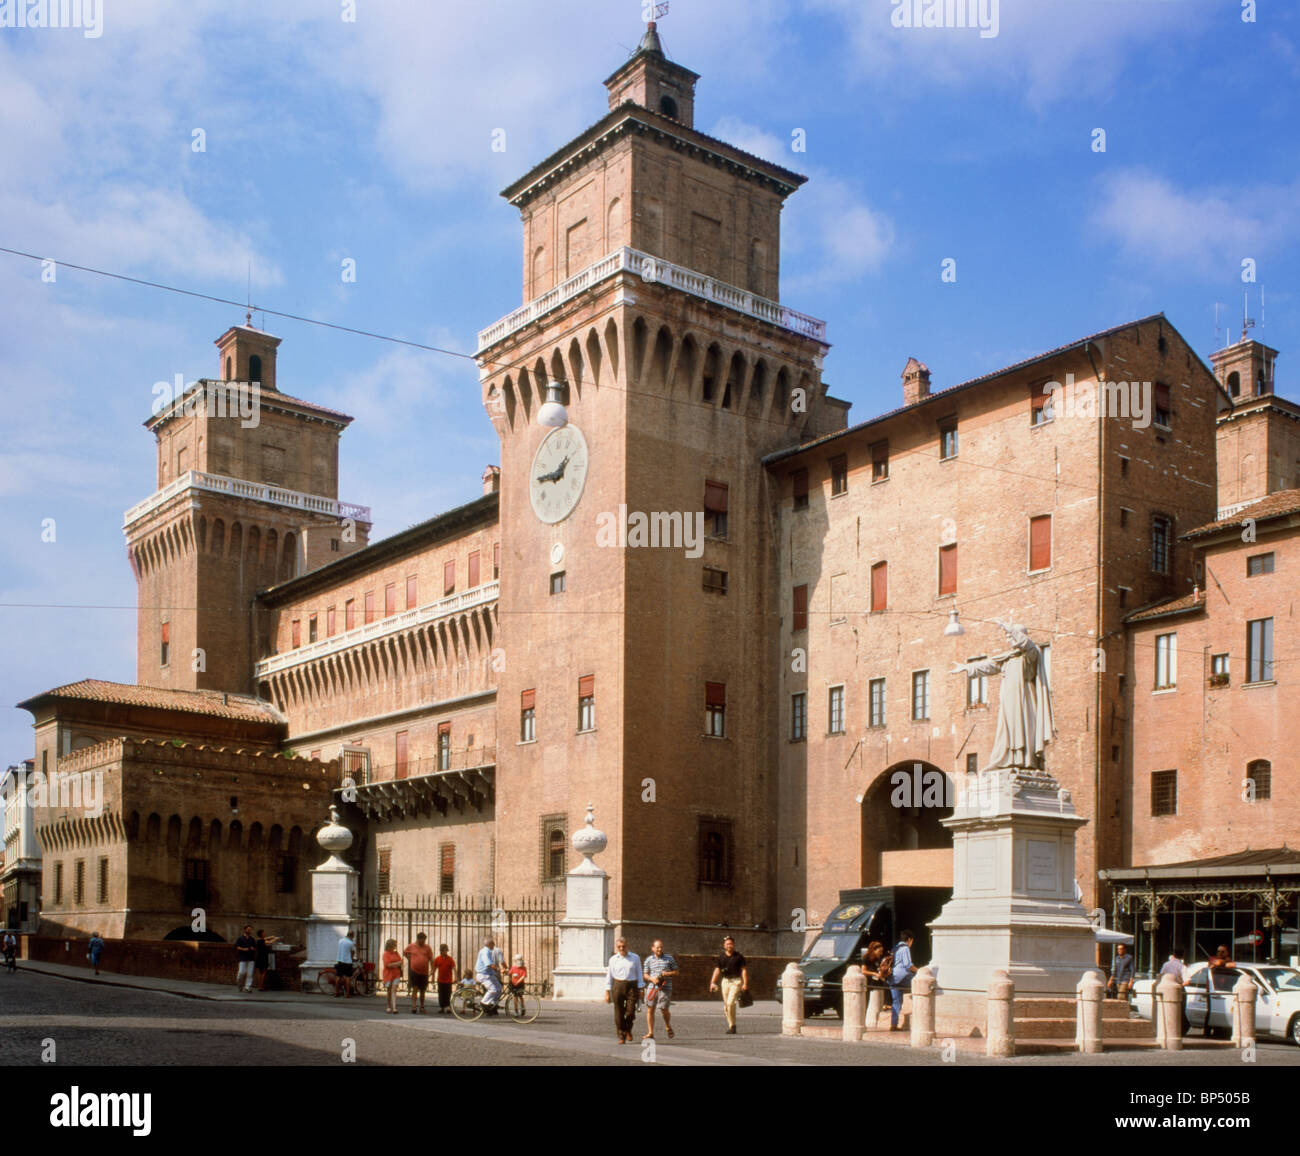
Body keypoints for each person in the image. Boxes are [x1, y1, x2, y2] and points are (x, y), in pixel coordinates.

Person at [604, 937, 644, 1043]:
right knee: (619, 1012)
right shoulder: (613, 959)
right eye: (619, 947)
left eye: (623, 946)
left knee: (630, 1011)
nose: (621, 948)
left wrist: (641, 989)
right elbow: (609, 976)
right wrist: (607, 991)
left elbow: (639, 973)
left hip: (632, 985)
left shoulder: (635, 958)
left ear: (627, 946)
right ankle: (621, 1034)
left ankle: (628, 1030)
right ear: (617, 947)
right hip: (618, 985)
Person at [708, 935, 749, 1035]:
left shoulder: (739, 957)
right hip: (725, 982)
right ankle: (732, 1026)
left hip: (736, 981)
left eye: (731, 943)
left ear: (733, 945)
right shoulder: (721, 957)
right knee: (726, 1006)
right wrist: (712, 982)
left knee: (731, 1003)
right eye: (727, 944)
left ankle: (732, 1026)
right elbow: (717, 970)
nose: (729, 945)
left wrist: (745, 983)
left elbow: (744, 970)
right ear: (724, 945)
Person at [642, 939, 679, 1041]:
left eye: (661, 947)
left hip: (665, 987)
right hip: (652, 987)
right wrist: (651, 979)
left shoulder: (669, 958)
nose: (659, 949)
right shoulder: (649, 960)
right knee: (650, 1009)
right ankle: (650, 1032)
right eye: (657, 947)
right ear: (653, 948)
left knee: (664, 1009)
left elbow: (676, 972)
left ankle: (667, 1025)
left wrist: (667, 974)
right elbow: (645, 974)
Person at [888, 930, 917, 1031]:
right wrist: (919, 971)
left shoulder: (895, 948)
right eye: (912, 941)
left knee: (896, 1001)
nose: (911, 944)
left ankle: (893, 1025)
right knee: (918, 984)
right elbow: (908, 965)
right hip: (902, 977)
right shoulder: (905, 948)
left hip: (892, 978)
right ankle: (919, 1010)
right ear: (909, 940)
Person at [403, 932, 434, 1014]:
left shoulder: (427, 947)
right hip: (414, 971)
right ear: (418, 939)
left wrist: (432, 969)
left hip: (424, 972)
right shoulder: (411, 946)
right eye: (422, 940)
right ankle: (413, 1006)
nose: (423, 942)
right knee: (415, 989)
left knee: (423, 990)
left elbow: (431, 958)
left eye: (424, 941)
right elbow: (405, 952)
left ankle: (422, 1006)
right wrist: (410, 958)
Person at [475, 936, 505, 1015]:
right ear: (489, 944)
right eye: (493, 943)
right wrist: (499, 969)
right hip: (483, 974)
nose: (494, 944)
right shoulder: (485, 951)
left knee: (499, 988)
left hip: (489, 974)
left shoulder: (489, 951)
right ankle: (483, 1003)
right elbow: (488, 964)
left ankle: (492, 1004)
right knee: (493, 989)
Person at [432, 944, 456, 1015]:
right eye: (443, 950)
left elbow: (454, 968)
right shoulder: (437, 959)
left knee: (448, 993)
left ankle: (448, 1006)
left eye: (445, 950)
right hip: (440, 980)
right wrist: (432, 977)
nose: (444, 952)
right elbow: (434, 969)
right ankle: (442, 1007)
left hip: (448, 980)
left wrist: (456, 977)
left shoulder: (450, 959)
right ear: (440, 951)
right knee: (441, 994)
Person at [382, 938, 403, 1014]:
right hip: (388, 975)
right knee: (389, 991)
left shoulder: (396, 953)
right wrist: (397, 963)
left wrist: (395, 964)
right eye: (394, 945)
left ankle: (394, 1007)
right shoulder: (385, 954)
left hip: (396, 974)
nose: (395, 947)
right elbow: (387, 965)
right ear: (390, 946)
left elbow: (401, 961)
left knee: (394, 990)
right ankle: (388, 1006)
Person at [234, 925, 258, 993]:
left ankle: (247, 987)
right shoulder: (240, 938)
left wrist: (253, 949)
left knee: (250, 973)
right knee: (242, 972)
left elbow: (255, 947)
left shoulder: (252, 939)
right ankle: (239, 982)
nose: (249, 931)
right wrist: (243, 949)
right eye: (248, 929)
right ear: (245, 930)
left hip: (251, 958)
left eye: (250, 929)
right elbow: (237, 946)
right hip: (242, 957)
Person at [335, 928, 357, 997]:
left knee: (338, 977)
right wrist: (352, 958)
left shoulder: (340, 941)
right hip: (347, 962)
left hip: (340, 961)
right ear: (352, 936)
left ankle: (336, 993)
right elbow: (352, 952)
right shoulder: (351, 943)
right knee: (348, 978)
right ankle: (347, 994)